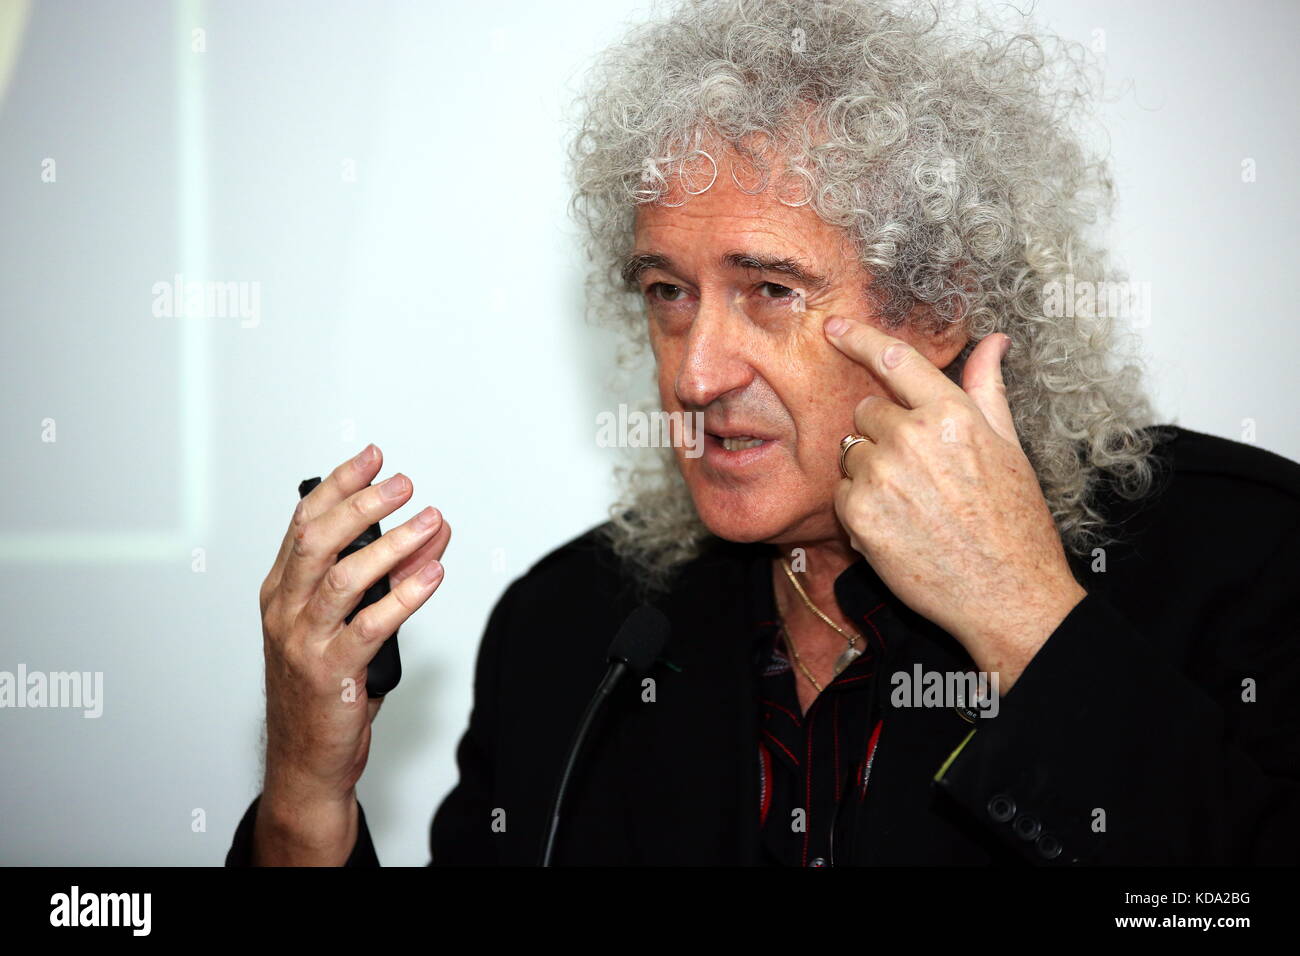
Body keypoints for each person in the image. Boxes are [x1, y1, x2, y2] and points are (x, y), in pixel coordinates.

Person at [227, 0, 1300, 866]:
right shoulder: (573, 633)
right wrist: (306, 802)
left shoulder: (1237, 563)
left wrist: (1025, 619)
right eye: (666, 291)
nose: (694, 371)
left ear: (935, 306)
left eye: (770, 290)